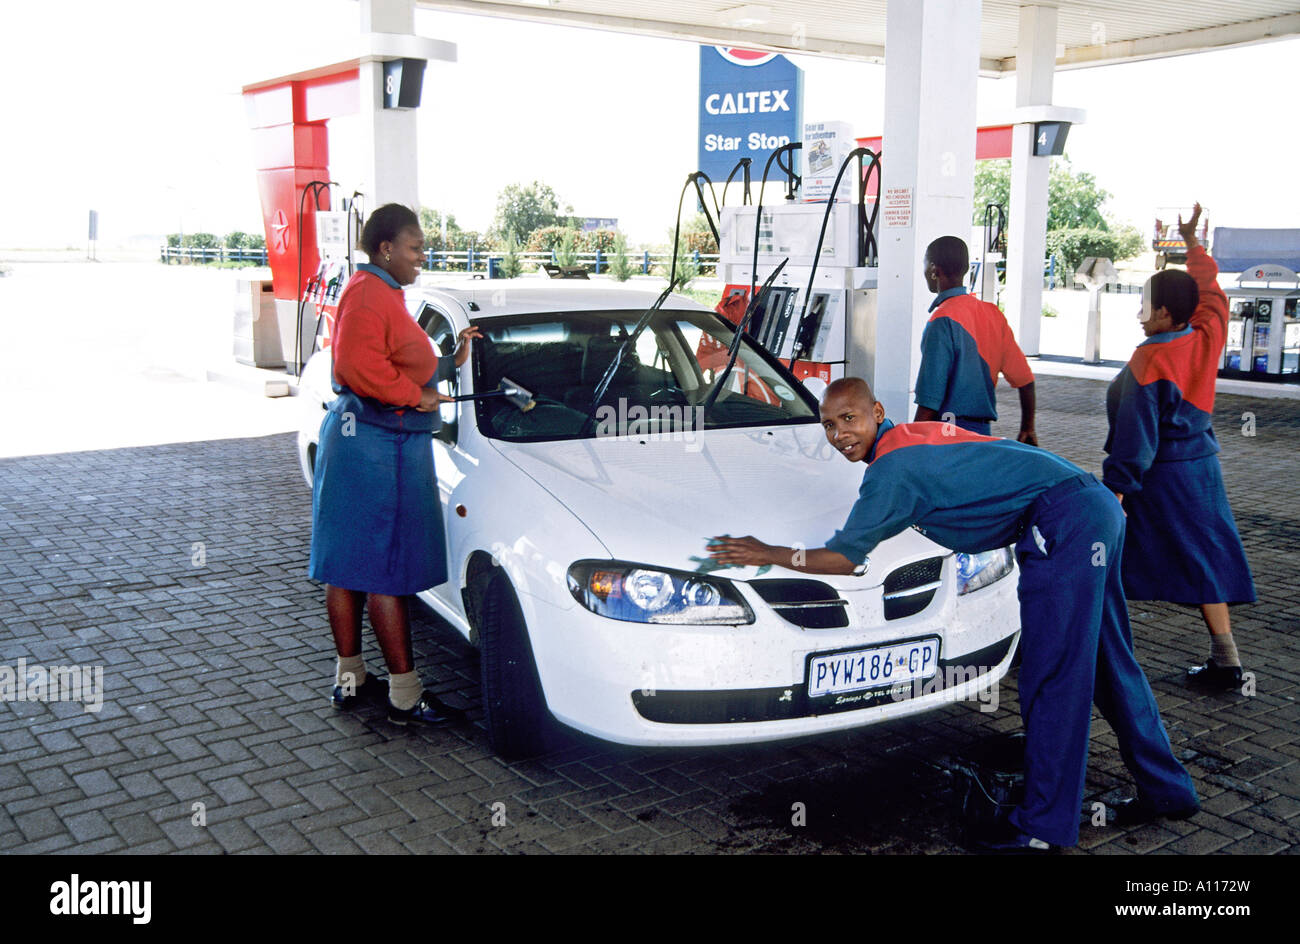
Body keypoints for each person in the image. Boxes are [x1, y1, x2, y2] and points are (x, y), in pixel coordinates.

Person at [708, 378, 1199, 851]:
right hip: (1090, 508)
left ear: (877, 413)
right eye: (830, 426)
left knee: (1054, 679)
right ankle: (1167, 789)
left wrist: (765, 550)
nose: (840, 436)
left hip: (1062, 526)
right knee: (1110, 662)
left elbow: (843, 559)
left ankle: (1042, 826)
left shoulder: (891, 471)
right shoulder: (909, 439)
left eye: (850, 419)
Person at [308, 203, 482, 725]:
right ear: (386, 247)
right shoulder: (368, 294)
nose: (421, 257)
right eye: (415, 247)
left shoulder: (380, 293)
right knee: (381, 570)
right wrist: (416, 396)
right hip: (375, 446)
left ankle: (352, 679)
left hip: (362, 441)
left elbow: (391, 354)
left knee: (348, 566)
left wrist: (451, 362)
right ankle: (405, 697)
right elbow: (354, 367)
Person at [1103, 203, 1256, 690]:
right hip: (1202, 469)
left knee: (1108, 557)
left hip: (1160, 478)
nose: (1140, 315)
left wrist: (1117, 493)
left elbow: (1135, 438)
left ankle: (1096, 649)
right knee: (1205, 557)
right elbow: (1213, 293)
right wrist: (1193, 244)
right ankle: (1226, 659)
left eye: (1146, 307)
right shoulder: (1207, 334)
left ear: (1167, 313)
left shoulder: (1150, 359)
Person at [913, 235, 1038, 443]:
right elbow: (1025, 381)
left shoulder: (941, 320)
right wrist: (1028, 428)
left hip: (948, 431)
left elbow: (929, 400)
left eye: (926, 266)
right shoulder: (992, 314)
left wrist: (910, 443)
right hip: (982, 433)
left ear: (935, 270)